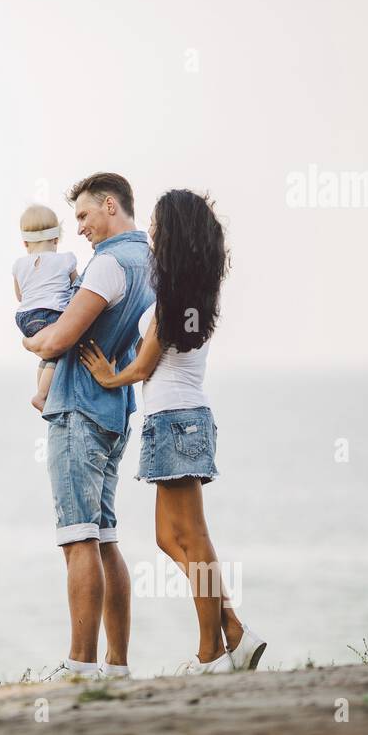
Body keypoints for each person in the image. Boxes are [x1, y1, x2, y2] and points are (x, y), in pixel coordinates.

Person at [77, 188, 267, 674]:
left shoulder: (175, 301)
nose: (153, 235)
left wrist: (107, 377)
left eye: (159, 228)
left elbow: (143, 367)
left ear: (175, 235)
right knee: (170, 536)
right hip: (183, 420)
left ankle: (213, 651)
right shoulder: (191, 293)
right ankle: (233, 630)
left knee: (192, 538)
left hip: (175, 420)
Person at [22, 173, 154, 679]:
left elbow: (59, 338)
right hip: (115, 406)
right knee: (104, 537)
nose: (78, 229)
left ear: (108, 205)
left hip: (79, 409)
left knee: (77, 537)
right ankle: (116, 666)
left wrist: (34, 343)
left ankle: (80, 665)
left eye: (82, 216)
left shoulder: (109, 264)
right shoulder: (150, 262)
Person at [12, 204, 78, 411]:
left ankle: (41, 393)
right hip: (51, 313)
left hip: (24, 316)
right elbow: (78, 289)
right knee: (59, 352)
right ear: (56, 239)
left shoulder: (18, 265)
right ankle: (41, 395)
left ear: (25, 243)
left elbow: (20, 295)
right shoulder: (65, 259)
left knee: (47, 355)